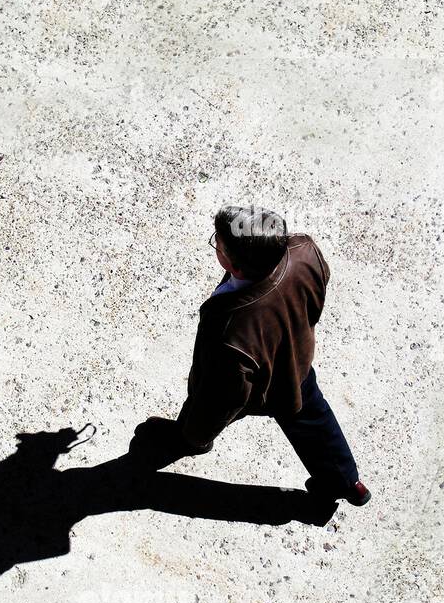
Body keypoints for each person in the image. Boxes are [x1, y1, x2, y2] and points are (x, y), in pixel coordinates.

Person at [138, 205, 370, 506]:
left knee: (204, 405)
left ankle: (190, 439)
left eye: (218, 244)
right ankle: (347, 483)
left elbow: (224, 398)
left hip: (255, 383)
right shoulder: (304, 250)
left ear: (234, 266)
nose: (216, 245)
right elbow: (316, 294)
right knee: (313, 418)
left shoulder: (231, 330)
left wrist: (196, 435)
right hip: (296, 361)